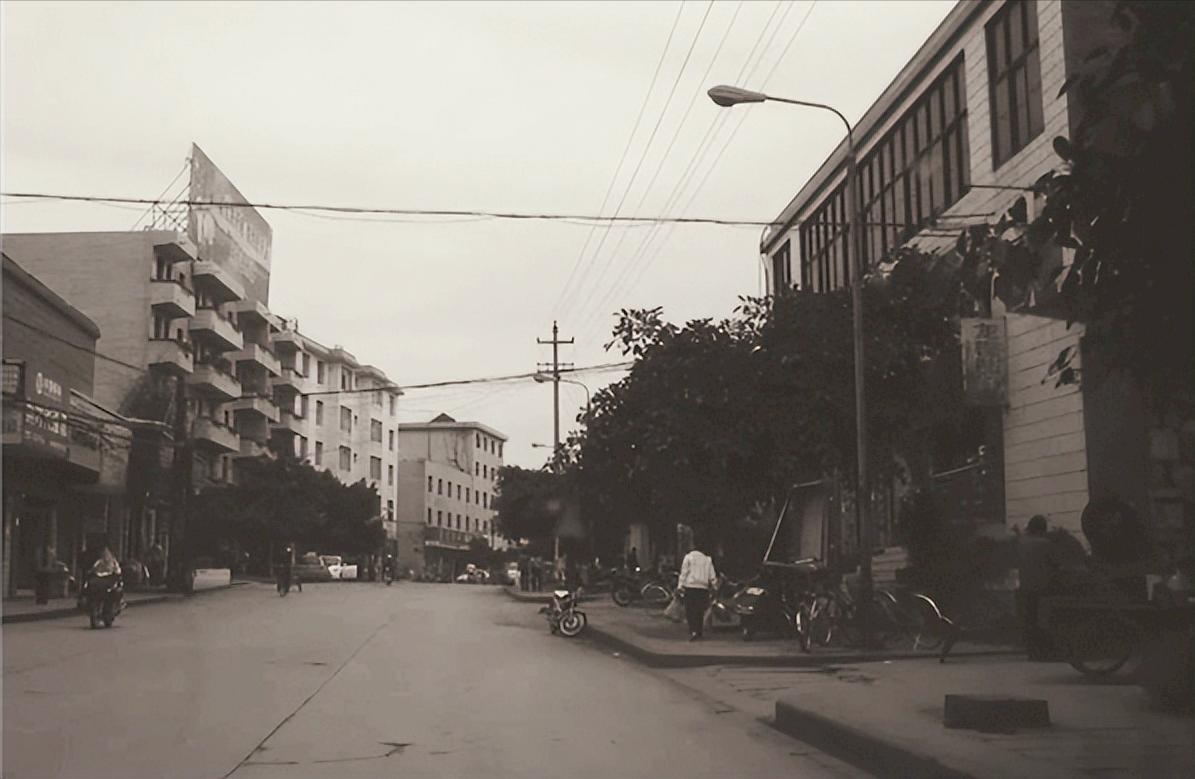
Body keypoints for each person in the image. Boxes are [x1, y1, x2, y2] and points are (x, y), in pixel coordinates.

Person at [1017, 515, 1056, 660]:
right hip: (1043, 586)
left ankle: (1032, 652)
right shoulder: (1046, 544)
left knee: (1030, 619)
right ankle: (1043, 650)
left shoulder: (1021, 543)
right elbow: (1054, 563)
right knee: (1043, 619)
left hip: (1025, 586)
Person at [678, 539, 718, 641]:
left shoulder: (688, 557)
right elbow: (712, 575)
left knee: (690, 610)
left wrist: (680, 586)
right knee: (700, 610)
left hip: (690, 587)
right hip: (703, 588)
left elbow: (684, 573)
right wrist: (715, 586)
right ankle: (699, 631)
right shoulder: (707, 559)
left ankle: (693, 630)